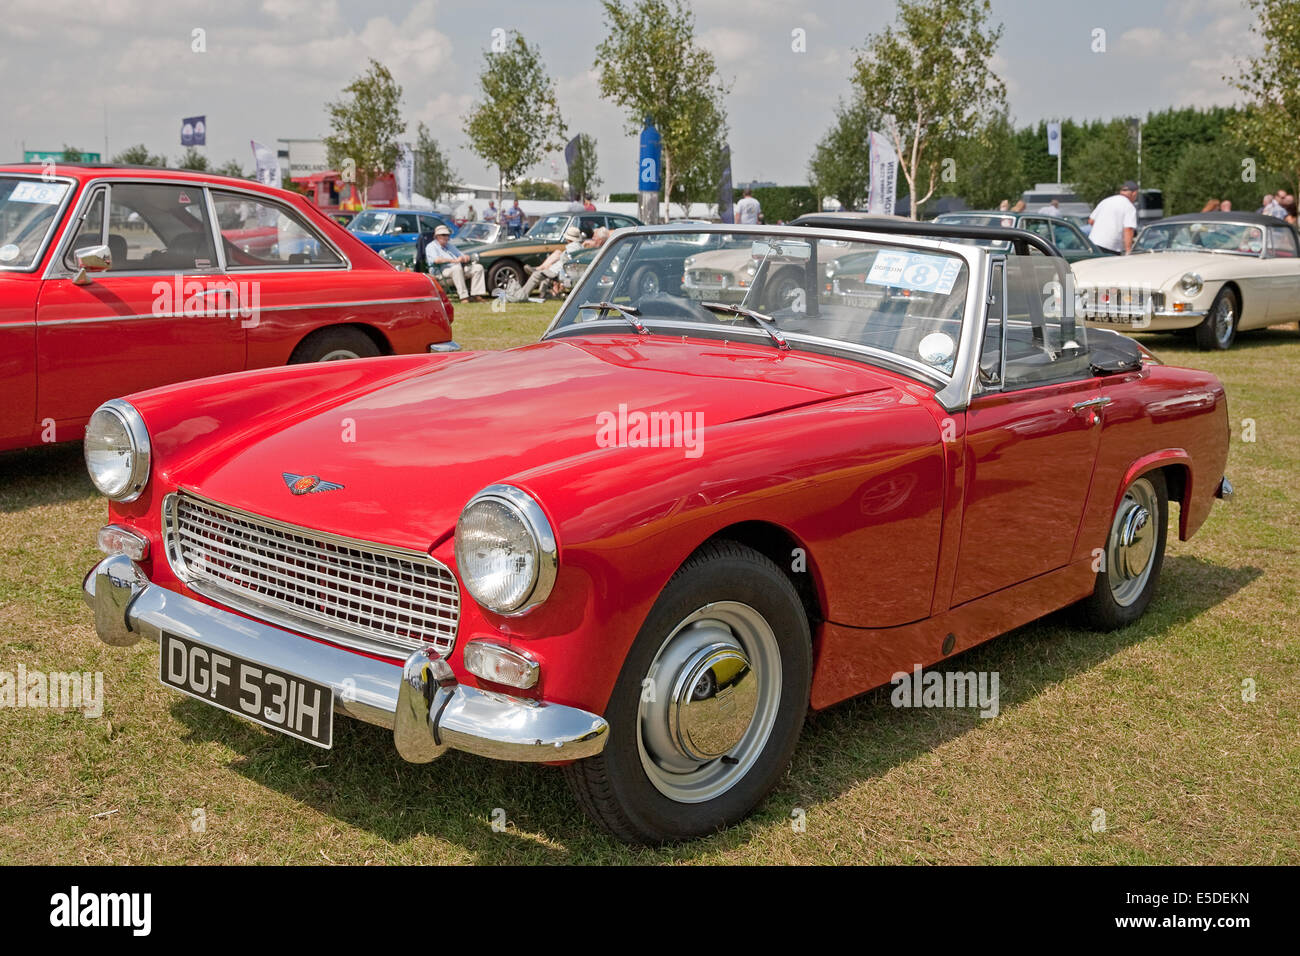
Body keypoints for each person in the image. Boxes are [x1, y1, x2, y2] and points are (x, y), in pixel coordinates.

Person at [509, 225, 584, 301]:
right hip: (564, 271)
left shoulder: (571, 248)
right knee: (545, 272)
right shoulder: (579, 247)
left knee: (536, 275)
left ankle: (522, 295)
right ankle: (542, 293)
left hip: (561, 272)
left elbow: (566, 262)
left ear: (568, 238)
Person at [427, 224, 486, 302]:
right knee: (456, 268)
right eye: (443, 235)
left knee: (478, 267)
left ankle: (476, 295)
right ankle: (464, 297)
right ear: (437, 236)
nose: (446, 237)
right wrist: (453, 261)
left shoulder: (449, 246)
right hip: (441, 271)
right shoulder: (431, 246)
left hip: (457, 268)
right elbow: (436, 260)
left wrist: (465, 257)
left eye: (447, 235)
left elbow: (460, 255)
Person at [1088, 180, 1140, 254]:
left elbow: (1091, 221)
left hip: (1092, 243)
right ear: (1134, 193)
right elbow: (1128, 229)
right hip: (1111, 247)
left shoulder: (1106, 201)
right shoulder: (1129, 207)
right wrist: (1128, 251)